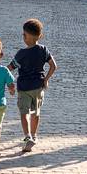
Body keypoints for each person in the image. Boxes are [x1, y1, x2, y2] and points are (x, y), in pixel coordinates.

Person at [9, 18, 57, 152]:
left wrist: (6, 80)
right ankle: (34, 135)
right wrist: (46, 79)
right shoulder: (43, 50)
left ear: (27, 36)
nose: (23, 36)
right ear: (39, 36)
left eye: (24, 34)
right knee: (36, 112)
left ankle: (27, 136)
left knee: (24, 113)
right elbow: (53, 66)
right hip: (38, 87)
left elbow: (10, 68)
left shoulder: (21, 54)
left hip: (24, 88)